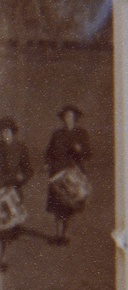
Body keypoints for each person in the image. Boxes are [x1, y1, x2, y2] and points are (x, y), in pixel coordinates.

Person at [0, 117, 33, 271]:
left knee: (7, 229)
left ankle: (1, 260)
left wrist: (22, 177)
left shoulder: (21, 148)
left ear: (12, 132)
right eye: (2, 131)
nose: (4, 134)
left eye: (7, 131)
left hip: (12, 192)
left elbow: (28, 169)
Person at [45, 104, 91, 245]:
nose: (67, 119)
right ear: (63, 118)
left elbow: (88, 154)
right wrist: (47, 163)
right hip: (58, 173)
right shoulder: (57, 134)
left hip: (74, 174)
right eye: (65, 116)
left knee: (70, 206)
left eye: (70, 116)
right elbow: (49, 152)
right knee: (58, 205)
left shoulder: (81, 134)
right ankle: (58, 235)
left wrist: (80, 150)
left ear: (75, 118)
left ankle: (65, 235)